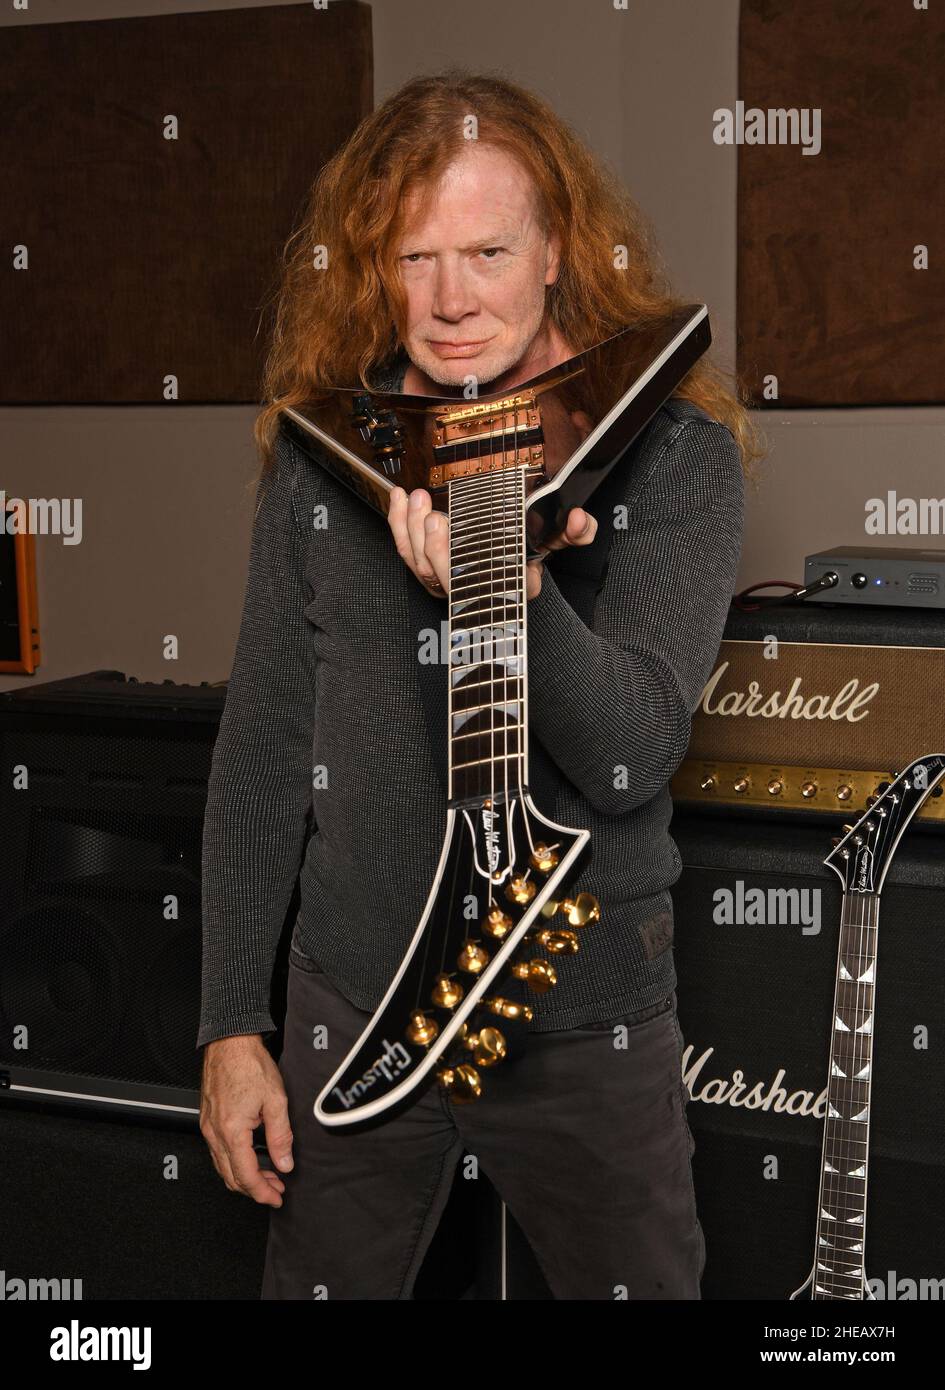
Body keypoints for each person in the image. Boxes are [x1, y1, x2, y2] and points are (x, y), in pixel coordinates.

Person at [197, 70, 759, 1300]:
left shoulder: (677, 454)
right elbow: (261, 748)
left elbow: (630, 751)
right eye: (413, 258)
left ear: (558, 249)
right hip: (355, 993)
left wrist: (509, 591)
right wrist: (232, 1022)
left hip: (583, 1012)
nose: (449, 302)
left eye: (489, 251)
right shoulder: (325, 460)